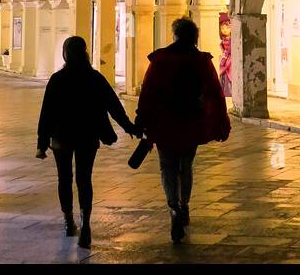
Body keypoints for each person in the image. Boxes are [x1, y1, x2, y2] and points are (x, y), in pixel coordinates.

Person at [36, 36, 140, 249]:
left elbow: (47, 112)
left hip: (62, 137)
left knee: (64, 178)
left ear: (65, 54)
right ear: (85, 52)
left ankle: (68, 221)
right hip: (87, 136)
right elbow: (114, 107)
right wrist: (130, 127)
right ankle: (85, 224)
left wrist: (41, 142)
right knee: (84, 179)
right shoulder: (94, 78)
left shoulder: (57, 79)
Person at [135, 18, 230, 244]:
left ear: (175, 34)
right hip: (190, 121)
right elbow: (214, 92)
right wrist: (220, 120)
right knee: (186, 166)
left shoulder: (160, 60)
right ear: (194, 36)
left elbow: (148, 91)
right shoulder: (201, 61)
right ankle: (184, 206)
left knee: (167, 166)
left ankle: (173, 206)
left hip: (165, 123)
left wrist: (141, 119)